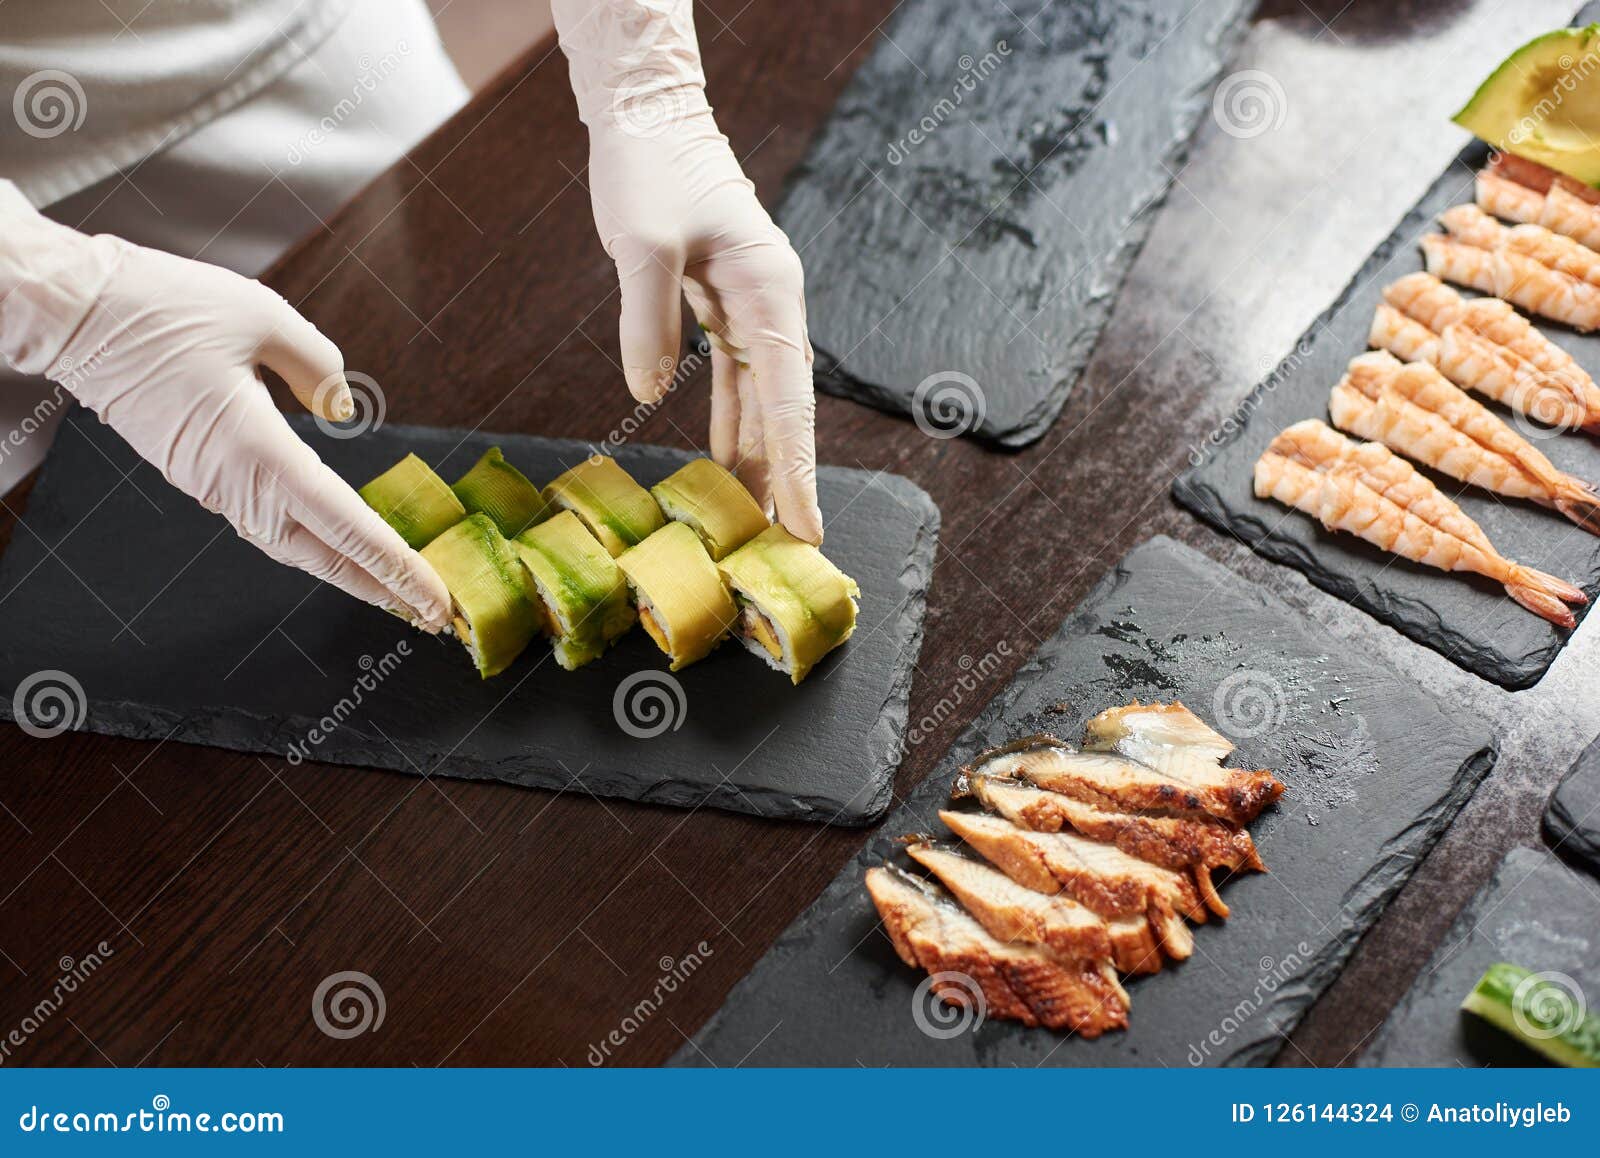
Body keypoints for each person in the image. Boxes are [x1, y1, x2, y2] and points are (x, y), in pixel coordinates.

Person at [0, 0, 820, 633]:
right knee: (70, 560)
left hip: (314, 53)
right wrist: (63, 299)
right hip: (29, 153)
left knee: (409, 361)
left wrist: (646, 78)